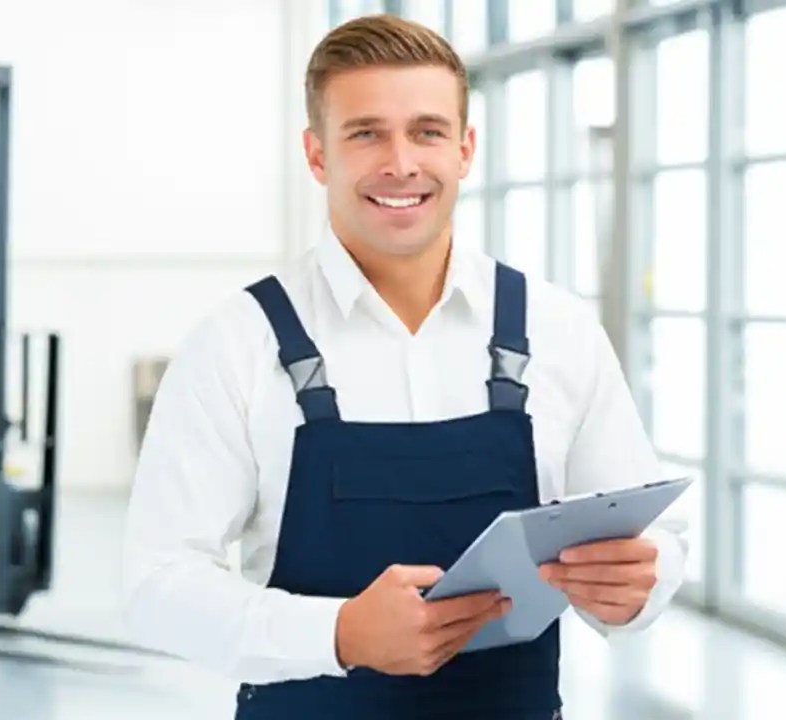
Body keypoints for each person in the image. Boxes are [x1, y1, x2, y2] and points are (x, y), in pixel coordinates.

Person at [121, 14, 687, 720]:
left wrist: (643, 581)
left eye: (427, 131)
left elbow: (647, 539)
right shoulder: (235, 344)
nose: (401, 163)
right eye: (366, 133)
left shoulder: (559, 330)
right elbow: (156, 586)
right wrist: (338, 634)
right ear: (317, 154)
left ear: (464, 148)